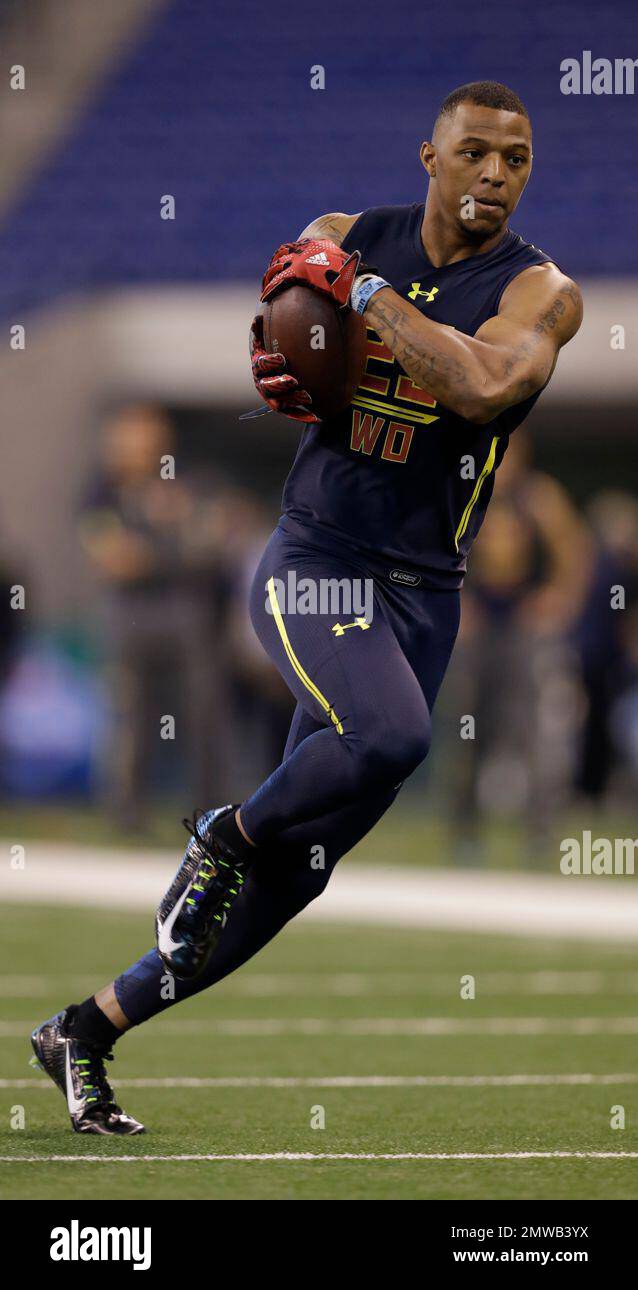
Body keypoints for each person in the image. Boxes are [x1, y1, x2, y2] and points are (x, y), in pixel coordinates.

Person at [31, 80, 582, 1135]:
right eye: (473, 153)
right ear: (428, 157)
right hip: (316, 557)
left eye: (514, 159)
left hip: (426, 592)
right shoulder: (347, 233)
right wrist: (295, 329)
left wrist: (371, 301)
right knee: (389, 736)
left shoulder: (541, 294)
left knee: (300, 875)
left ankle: (86, 1030)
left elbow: (478, 388)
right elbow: (291, 296)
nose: (494, 176)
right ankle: (223, 834)